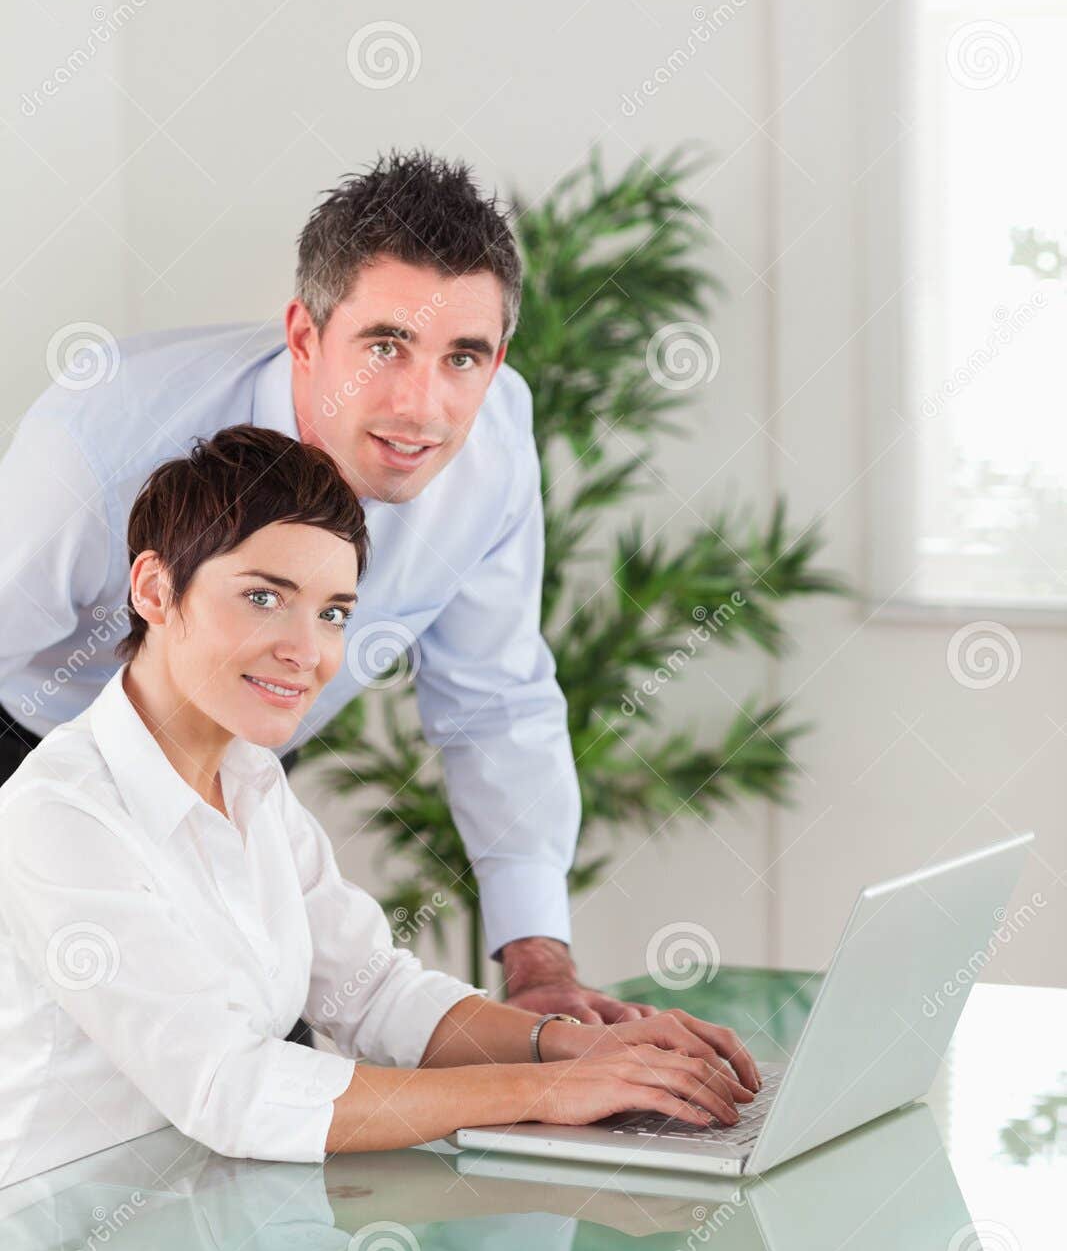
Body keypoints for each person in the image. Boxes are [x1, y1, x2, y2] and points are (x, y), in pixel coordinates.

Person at [0, 427, 760, 1191]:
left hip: (210, 1211)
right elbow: (228, 1090)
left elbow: (370, 992)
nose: (307, 651)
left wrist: (573, 1047)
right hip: (61, 1238)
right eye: (263, 598)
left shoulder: (250, 779)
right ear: (154, 589)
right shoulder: (59, 815)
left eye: (332, 613)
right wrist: (547, 1091)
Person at [0, 150, 637, 1022]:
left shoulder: (491, 449)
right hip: (32, 751)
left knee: (275, 1043)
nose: (422, 408)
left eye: (463, 357)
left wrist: (539, 968)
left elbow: (496, 700)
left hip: (240, 760)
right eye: (386, 346)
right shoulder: (101, 442)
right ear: (304, 336)